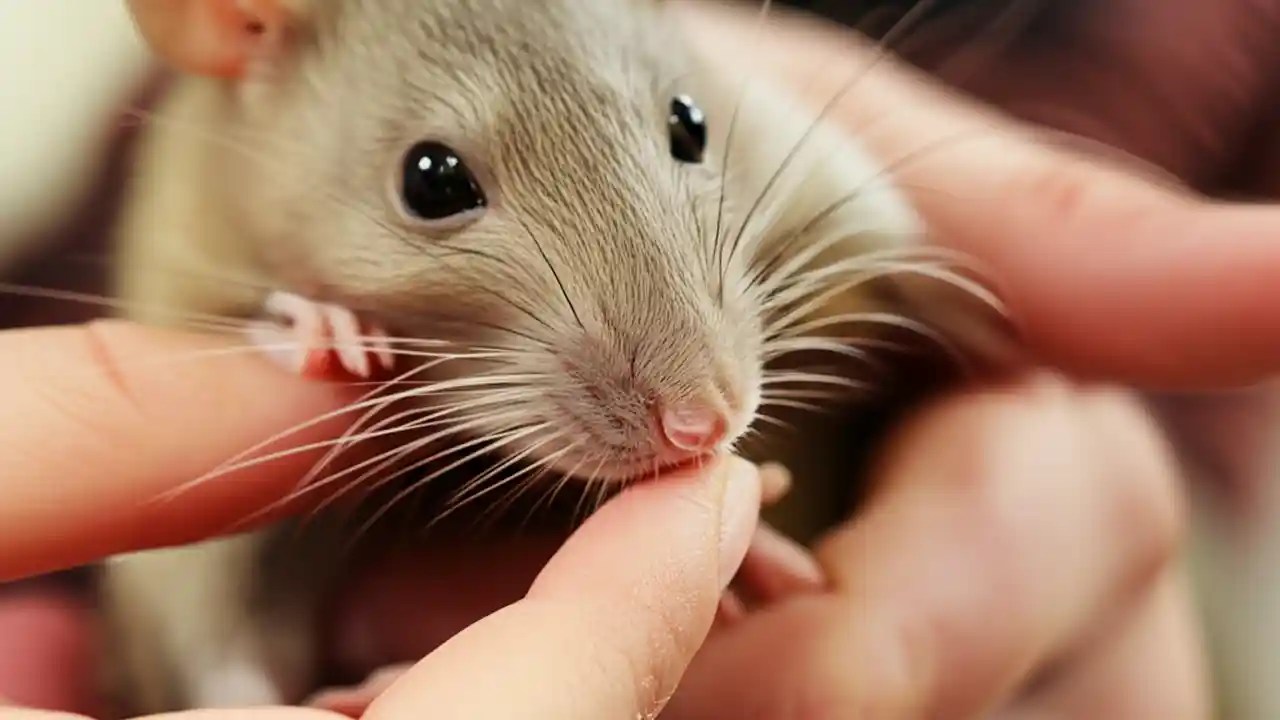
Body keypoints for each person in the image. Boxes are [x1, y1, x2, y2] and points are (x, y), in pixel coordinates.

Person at [5, 0, 1280, 716]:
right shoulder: (263, 91)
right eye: (439, 185)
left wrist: (1095, 491)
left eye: (681, 130)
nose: (691, 396)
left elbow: (1121, 413)